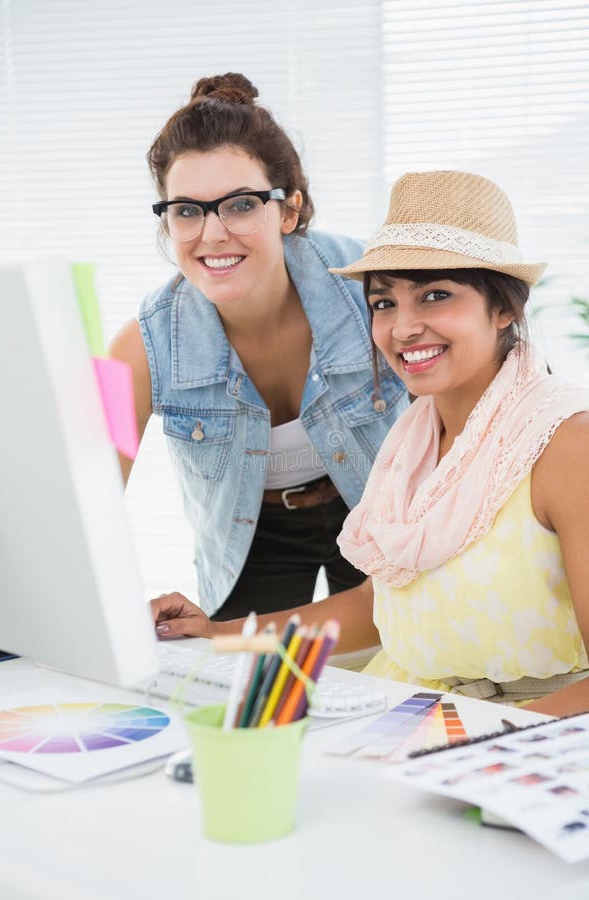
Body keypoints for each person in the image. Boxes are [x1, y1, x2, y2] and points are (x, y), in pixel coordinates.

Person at [152, 169, 589, 718]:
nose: (403, 329)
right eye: (384, 303)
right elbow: (376, 603)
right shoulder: (412, 439)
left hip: (521, 737)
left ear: (504, 309)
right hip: (408, 709)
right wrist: (218, 633)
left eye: (435, 296)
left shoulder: (567, 444)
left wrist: (469, 745)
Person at [111, 72, 407, 621]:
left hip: (381, 509)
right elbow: (87, 495)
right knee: (240, 684)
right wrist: (113, 611)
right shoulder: (139, 346)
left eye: (241, 205)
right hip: (251, 536)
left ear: (289, 211)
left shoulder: (372, 286)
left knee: (401, 662)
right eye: (187, 210)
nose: (213, 233)